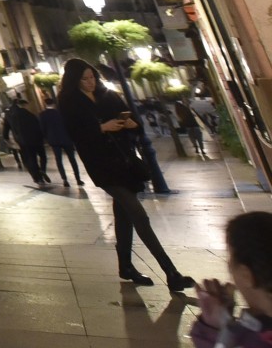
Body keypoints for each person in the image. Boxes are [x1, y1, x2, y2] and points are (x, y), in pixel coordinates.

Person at [56, 58, 193, 290]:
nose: (90, 82)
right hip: (101, 165)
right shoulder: (69, 101)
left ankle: (126, 267)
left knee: (123, 215)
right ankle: (171, 272)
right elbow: (74, 135)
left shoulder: (107, 95)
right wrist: (101, 127)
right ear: (74, 80)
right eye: (85, 79)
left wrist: (131, 124)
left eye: (92, 77)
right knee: (139, 215)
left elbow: (135, 123)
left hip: (125, 161)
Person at [193, 211, 272, 348]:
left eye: (229, 256)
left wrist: (212, 331)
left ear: (246, 275)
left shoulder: (253, 340)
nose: (228, 265)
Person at [39, 95, 81, 187]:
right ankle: (78, 179)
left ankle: (64, 179)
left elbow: (42, 129)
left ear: (45, 104)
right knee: (72, 159)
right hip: (66, 139)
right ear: (53, 104)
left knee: (59, 160)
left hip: (54, 140)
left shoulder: (43, 115)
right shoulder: (61, 113)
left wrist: (47, 138)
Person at [6, 99, 49, 186]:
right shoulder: (30, 115)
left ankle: (37, 178)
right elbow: (38, 126)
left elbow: (7, 129)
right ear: (23, 105)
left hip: (23, 142)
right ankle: (42, 170)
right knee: (42, 156)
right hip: (36, 140)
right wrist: (42, 138)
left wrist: (8, 139)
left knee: (31, 159)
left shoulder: (11, 116)